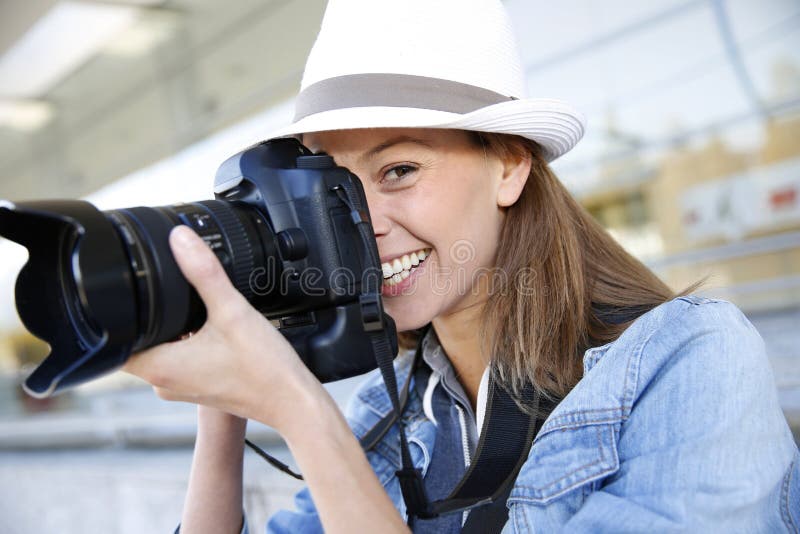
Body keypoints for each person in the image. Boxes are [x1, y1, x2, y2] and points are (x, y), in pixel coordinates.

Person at [124, 0, 800, 532]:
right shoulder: (391, 414)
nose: (364, 222)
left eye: (399, 169)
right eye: (336, 190)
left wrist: (300, 413)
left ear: (509, 165)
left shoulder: (691, 360)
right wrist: (224, 407)